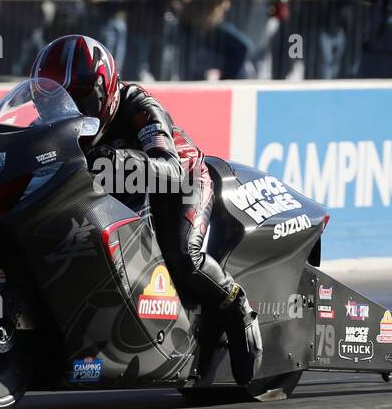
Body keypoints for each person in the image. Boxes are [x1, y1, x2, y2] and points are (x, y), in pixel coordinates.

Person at [29, 34, 262, 386]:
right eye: (54, 103)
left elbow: (168, 168)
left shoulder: (138, 105)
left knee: (184, 256)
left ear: (101, 91)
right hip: (120, 195)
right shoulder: (52, 128)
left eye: (77, 100)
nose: (67, 111)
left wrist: (116, 160)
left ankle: (236, 307)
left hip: (180, 181)